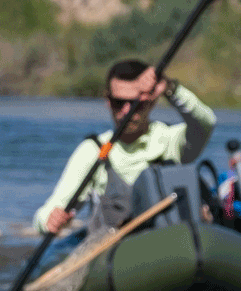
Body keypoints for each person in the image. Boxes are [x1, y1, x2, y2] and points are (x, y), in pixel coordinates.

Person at [32, 58, 219, 243]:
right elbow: (50, 210)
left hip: (172, 249)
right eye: (119, 103)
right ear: (108, 100)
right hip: (116, 256)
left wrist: (170, 88)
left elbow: (205, 123)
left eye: (136, 103)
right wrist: (50, 220)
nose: (127, 111)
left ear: (151, 102)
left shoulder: (171, 140)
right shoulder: (93, 151)